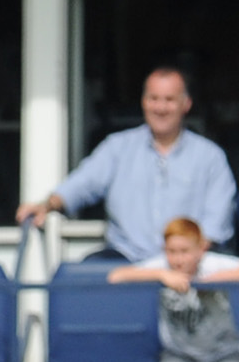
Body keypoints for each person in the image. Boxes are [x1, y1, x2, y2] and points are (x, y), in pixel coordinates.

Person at [20, 68, 239, 264]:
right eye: (154, 98)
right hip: (127, 259)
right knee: (87, 276)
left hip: (189, 266)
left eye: (169, 99)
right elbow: (82, 184)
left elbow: (217, 222)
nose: (160, 107)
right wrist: (46, 205)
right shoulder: (117, 148)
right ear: (144, 102)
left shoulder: (210, 157)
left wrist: (183, 260)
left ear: (186, 104)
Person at [106, 216, 239, 362]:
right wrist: (161, 275)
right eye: (172, 252)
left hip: (223, 354)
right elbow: (116, 276)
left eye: (185, 251)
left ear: (201, 248)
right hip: (180, 356)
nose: (178, 259)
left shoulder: (213, 264)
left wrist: (212, 281)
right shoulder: (163, 267)